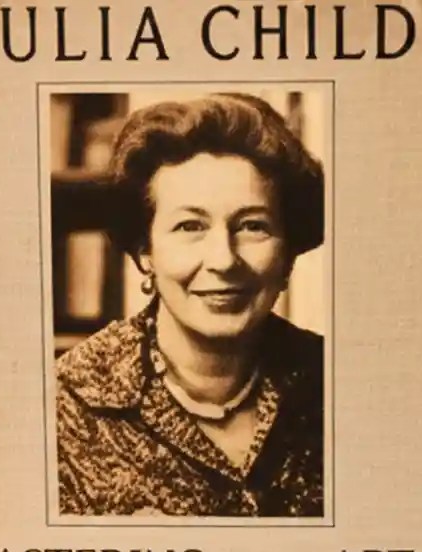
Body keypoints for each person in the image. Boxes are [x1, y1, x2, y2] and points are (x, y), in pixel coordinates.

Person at [56, 93, 326, 518]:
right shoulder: (65, 405)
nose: (223, 259)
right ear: (146, 251)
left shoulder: (336, 385)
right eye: (190, 226)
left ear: (288, 252)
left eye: (253, 226)